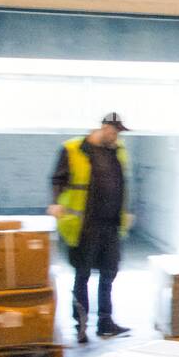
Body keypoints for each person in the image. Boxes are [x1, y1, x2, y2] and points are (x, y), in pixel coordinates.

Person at [48, 112, 133, 344]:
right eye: (113, 132)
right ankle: (81, 325)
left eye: (117, 134)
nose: (116, 137)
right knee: (82, 274)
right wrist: (55, 202)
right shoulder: (74, 149)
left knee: (108, 274)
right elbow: (57, 179)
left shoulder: (118, 150)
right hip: (85, 224)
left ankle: (106, 322)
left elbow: (121, 183)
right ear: (104, 127)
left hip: (111, 224)